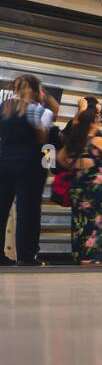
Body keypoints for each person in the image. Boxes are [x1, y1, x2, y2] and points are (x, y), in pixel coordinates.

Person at [0, 74, 57, 266]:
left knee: (1, 209)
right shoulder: (39, 111)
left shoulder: (4, 108)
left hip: (4, 163)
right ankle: (26, 256)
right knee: (28, 211)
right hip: (29, 167)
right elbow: (42, 140)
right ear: (35, 90)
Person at [59, 98, 102, 265]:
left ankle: (84, 256)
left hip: (80, 190)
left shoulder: (75, 139)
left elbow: (61, 158)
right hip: (96, 192)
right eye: (98, 114)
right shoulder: (95, 139)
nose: (100, 117)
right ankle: (93, 257)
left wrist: (77, 165)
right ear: (93, 119)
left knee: (82, 222)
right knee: (97, 222)